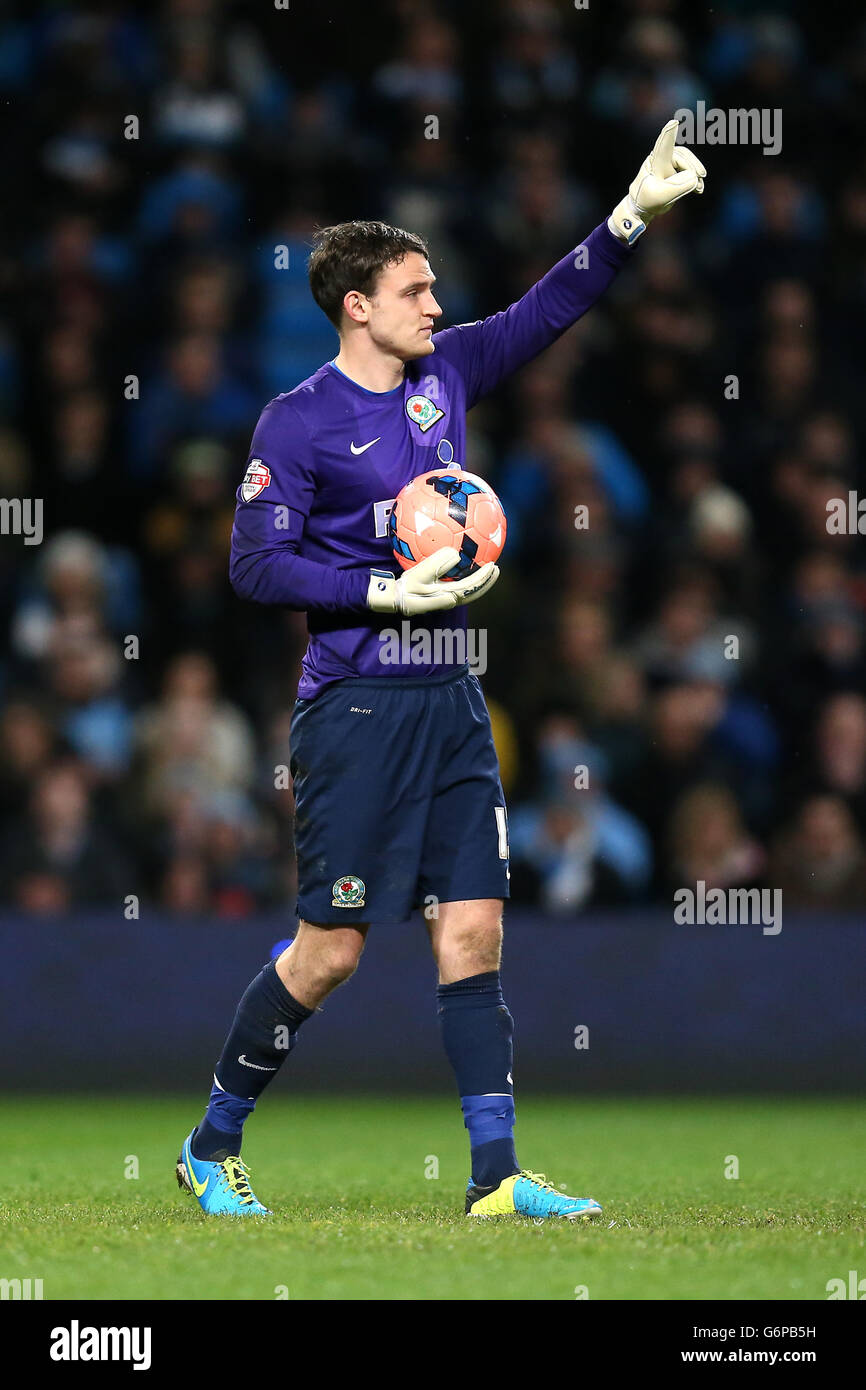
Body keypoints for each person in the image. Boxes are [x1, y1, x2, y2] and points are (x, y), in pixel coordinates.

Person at [176, 120, 706, 1219]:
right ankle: (208, 1144)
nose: (434, 304)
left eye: (433, 290)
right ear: (355, 305)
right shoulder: (298, 422)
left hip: (453, 698)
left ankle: (494, 1176)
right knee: (329, 952)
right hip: (356, 706)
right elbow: (251, 563)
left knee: (472, 930)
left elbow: (543, 312)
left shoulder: (446, 374)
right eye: (414, 290)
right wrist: (379, 591)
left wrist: (626, 218)